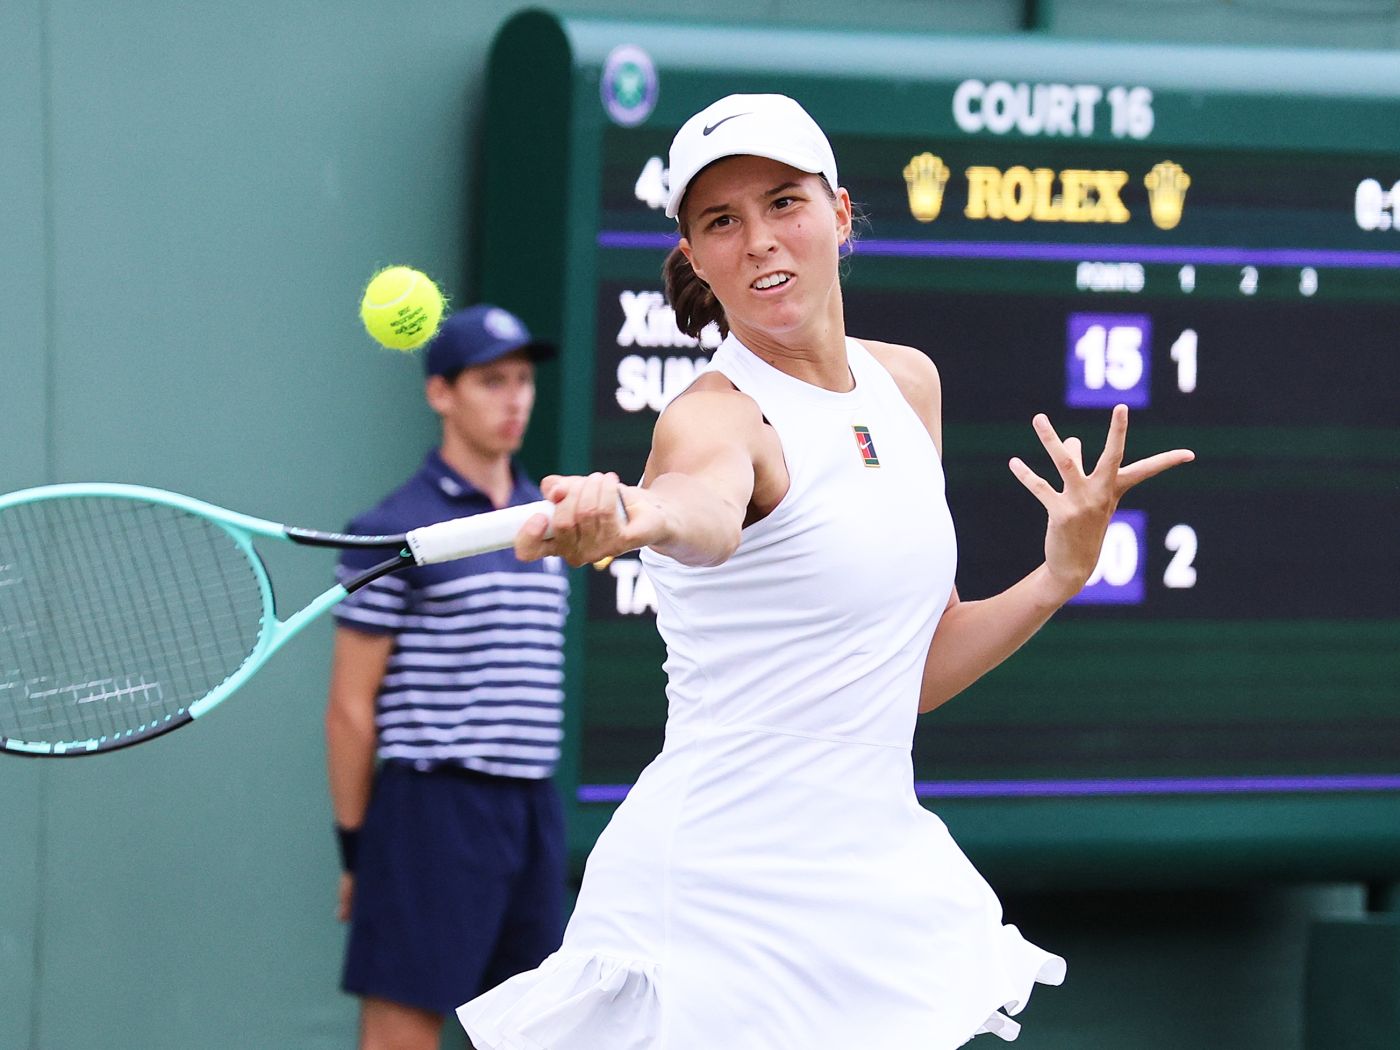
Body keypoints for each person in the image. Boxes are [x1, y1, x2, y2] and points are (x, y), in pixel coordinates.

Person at [458, 95, 1194, 1049]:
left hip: (869, 885)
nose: (760, 241)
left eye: (783, 203)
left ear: (839, 214)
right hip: (720, 898)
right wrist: (634, 516)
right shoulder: (714, 416)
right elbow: (703, 508)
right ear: (695, 257)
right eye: (722, 221)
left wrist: (1057, 574)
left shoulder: (908, 384)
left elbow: (913, 670)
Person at [325, 304, 569, 1050]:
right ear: (441, 394)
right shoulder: (393, 527)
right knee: (401, 1033)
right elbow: (349, 708)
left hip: (531, 811)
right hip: (429, 811)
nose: (515, 398)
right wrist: (356, 852)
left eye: (523, 380)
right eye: (492, 381)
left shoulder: (550, 518)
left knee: (540, 1034)